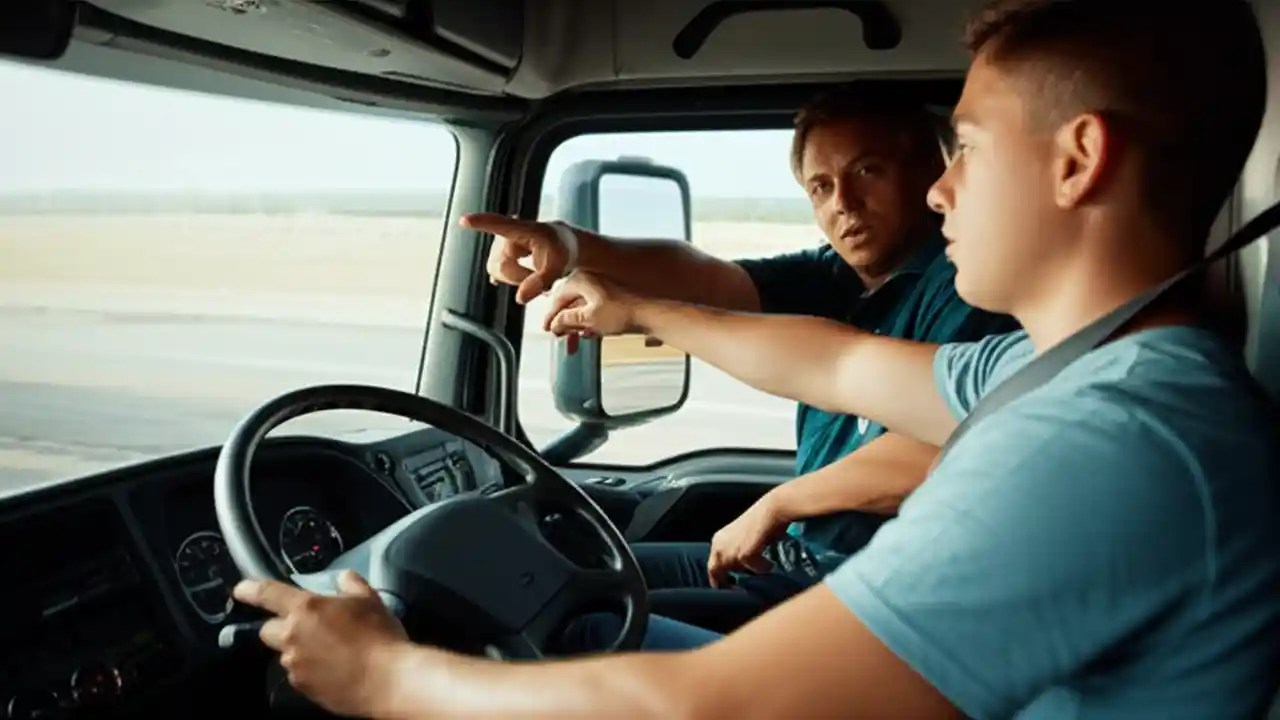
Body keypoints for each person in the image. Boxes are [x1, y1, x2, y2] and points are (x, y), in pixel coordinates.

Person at [234, 1, 1280, 718]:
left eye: (964, 148)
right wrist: (630, 302)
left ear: (1075, 158)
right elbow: (827, 363)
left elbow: (715, 709)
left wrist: (381, 678)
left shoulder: (1113, 439)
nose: (937, 191)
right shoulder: (1073, 369)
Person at [465, 88, 1018, 631]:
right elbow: (708, 278)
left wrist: (780, 502)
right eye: (821, 187)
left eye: (868, 171)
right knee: (554, 578)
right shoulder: (835, 276)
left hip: (859, 589)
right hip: (795, 562)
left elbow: (950, 441)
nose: (842, 203)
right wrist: (571, 248)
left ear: (930, 171)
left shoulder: (965, 287)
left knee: (577, 628)